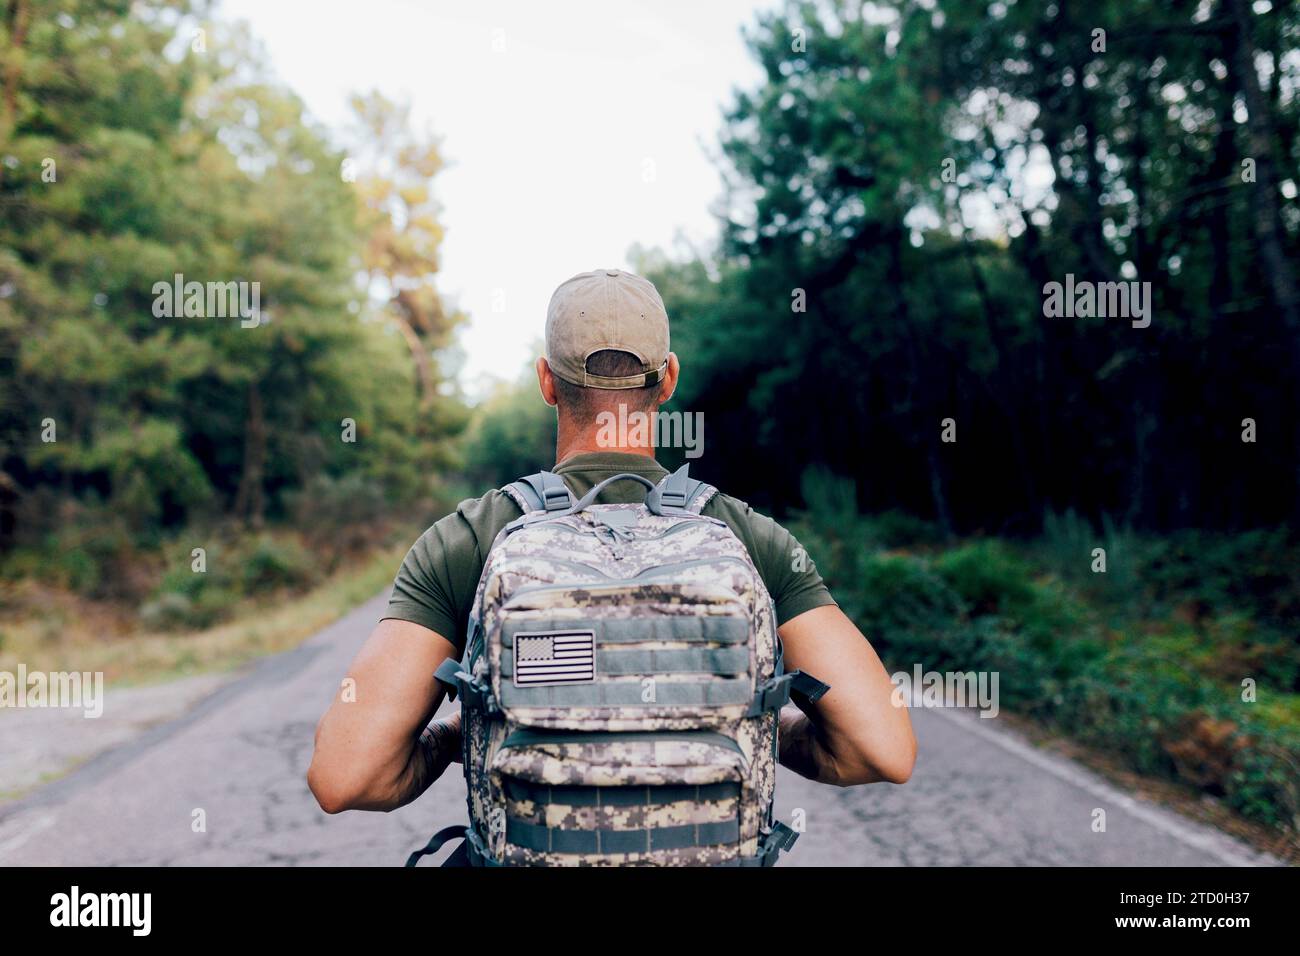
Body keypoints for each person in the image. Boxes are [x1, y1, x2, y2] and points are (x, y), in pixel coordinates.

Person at [307, 268, 916, 817]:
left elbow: (348, 777)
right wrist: (735, 716)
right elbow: (881, 750)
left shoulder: (468, 541)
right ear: (669, 379)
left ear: (546, 381)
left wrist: (459, 734)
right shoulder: (750, 538)